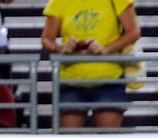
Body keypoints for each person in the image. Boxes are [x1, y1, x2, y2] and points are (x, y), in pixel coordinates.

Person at [41, 0, 139, 128]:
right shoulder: (58, 2)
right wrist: (61, 48)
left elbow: (134, 32)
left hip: (109, 79)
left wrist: (107, 48)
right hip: (71, 80)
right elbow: (46, 39)